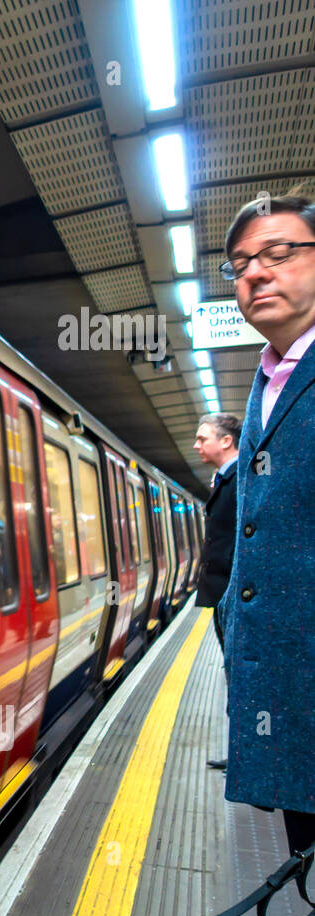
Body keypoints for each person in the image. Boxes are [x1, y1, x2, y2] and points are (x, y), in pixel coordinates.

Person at [217, 193, 315, 859]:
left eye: (280, 252)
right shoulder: (270, 378)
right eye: (242, 262)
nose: (256, 271)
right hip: (282, 692)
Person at [192, 413, 239, 771]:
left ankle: (243, 755)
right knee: (231, 670)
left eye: (202, 438)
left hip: (231, 592)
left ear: (226, 441)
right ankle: (241, 752)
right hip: (223, 591)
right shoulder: (227, 478)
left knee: (236, 670)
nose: (196, 445)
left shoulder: (241, 479)